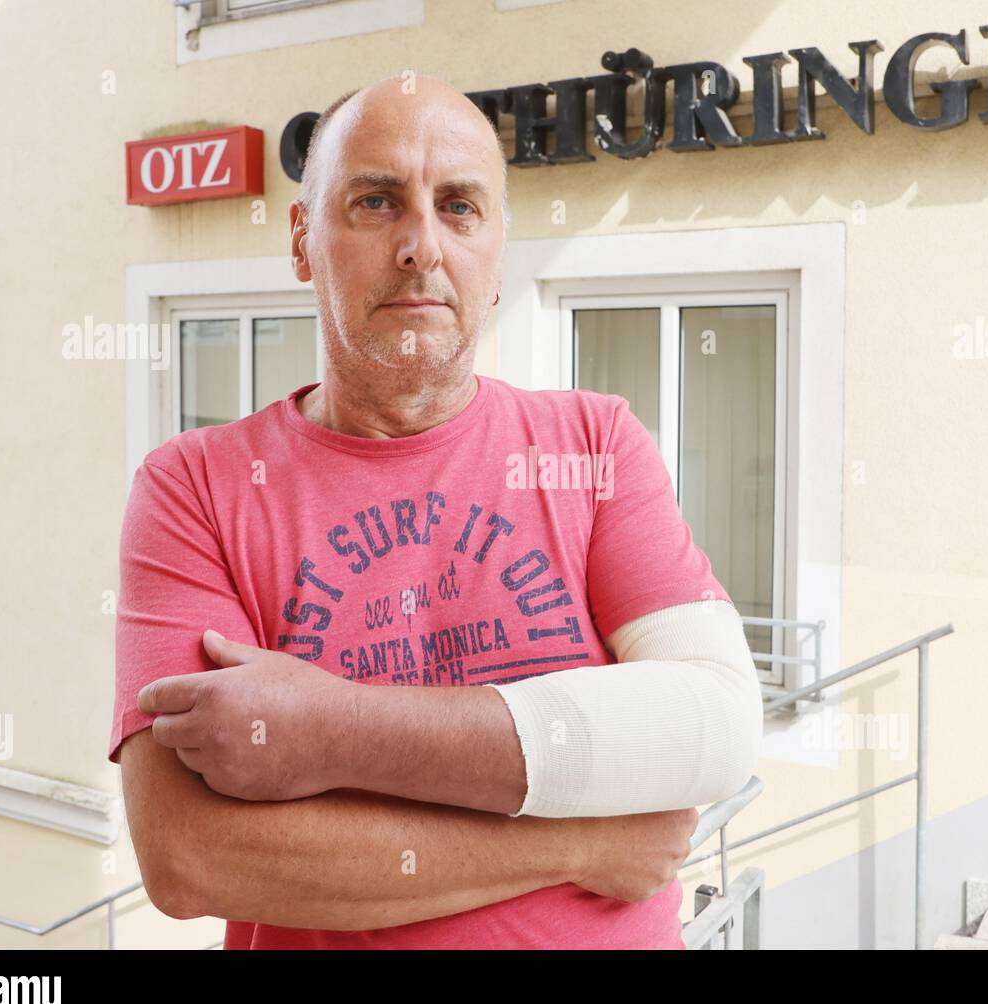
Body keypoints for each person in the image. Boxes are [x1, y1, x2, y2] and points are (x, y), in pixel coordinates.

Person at [110, 73, 763, 950]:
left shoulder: (593, 444)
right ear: (303, 240)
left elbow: (714, 727)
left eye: (459, 208)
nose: (422, 245)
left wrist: (329, 728)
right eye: (376, 202)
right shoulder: (193, 486)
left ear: (497, 255)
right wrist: (586, 836)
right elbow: (192, 857)